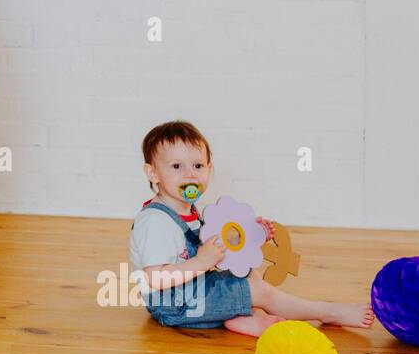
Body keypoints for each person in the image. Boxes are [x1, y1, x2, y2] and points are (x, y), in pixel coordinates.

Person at [130, 120, 374, 337]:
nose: (190, 174)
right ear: (153, 173)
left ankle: (244, 317)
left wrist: (247, 235)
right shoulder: (155, 222)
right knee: (258, 290)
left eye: (198, 166)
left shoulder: (191, 208)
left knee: (246, 276)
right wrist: (202, 262)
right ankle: (327, 311)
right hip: (177, 305)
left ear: (209, 169)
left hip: (194, 289)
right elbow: (157, 278)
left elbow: (214, 244)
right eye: (176, 167)